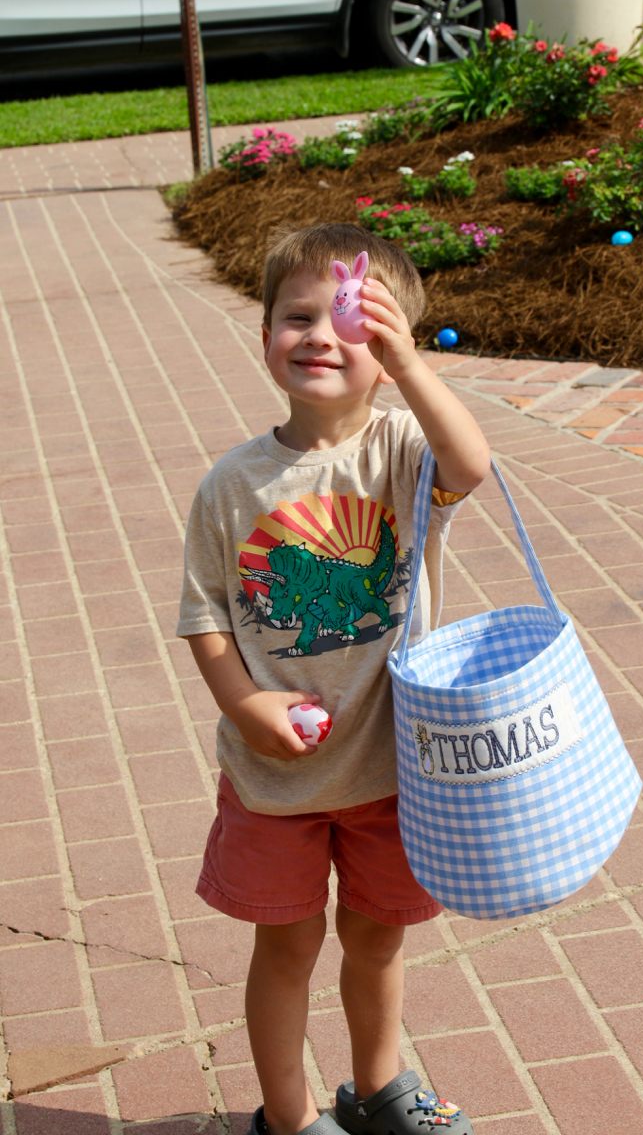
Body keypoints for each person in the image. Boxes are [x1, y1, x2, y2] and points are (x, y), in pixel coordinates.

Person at [178, 223, 491, 1135]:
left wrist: (412, 365)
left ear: (385, 352)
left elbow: (473, 466)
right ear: (265, 337)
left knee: (377, 936)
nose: (318, 334)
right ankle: (288, 1116)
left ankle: (379, 1086)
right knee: (287, 944)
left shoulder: (403, 451)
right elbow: (203, 615)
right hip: (277, 776)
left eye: (348, 319)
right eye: (295, 316)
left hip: (393, 764)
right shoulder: (232, 485)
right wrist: (246, 701)